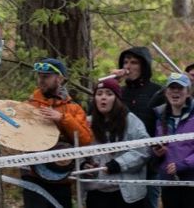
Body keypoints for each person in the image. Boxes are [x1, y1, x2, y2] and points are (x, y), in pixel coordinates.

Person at [23, 58, 93, 208]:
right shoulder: (29, 105)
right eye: (40, 76)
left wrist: (62, 119)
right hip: (33, 175)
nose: (41, 80)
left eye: (46, 77)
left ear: (59, 78)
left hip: (62, 178)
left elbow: (86, 140)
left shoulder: (73, 109)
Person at [108, 46, 164, 207]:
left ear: (144, 66)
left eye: (134, 62)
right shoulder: (117, 92)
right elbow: (96, 113)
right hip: (119, 163)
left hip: (149, 166)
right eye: (125, 62)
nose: (128, 66)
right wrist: (113, 83)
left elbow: (166, 124)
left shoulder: (157, 92)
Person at [82, 78, 150, 207]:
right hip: (96, 193)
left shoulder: (131, 121)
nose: (103, 98)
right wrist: (84, 165)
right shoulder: (86, 123)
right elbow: (76, 151)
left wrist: (118, 164)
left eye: (109, 93)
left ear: (117, 98)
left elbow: (143, 149)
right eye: (99, 93)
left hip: (125, 193)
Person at [152, 73, 194, 208]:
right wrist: (158, 154)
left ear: (188, 93)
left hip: (191, 182)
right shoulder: (159, 118)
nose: (175, 91)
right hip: (169, 183)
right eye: (171, 88)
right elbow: (156, 148)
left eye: (180, 88)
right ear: (166, 92)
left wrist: (183, 164)